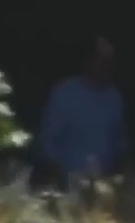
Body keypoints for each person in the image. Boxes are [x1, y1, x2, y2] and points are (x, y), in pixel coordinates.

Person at [38, 36, 128, 187]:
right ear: (89, 60)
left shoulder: (114, 97)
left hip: (104, 186)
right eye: (102, 61)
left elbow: (119, 142)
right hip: (69, 185)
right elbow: (48, 142)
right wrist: (58, 176)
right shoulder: (64, 94)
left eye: (110, 61)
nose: (107, 67)